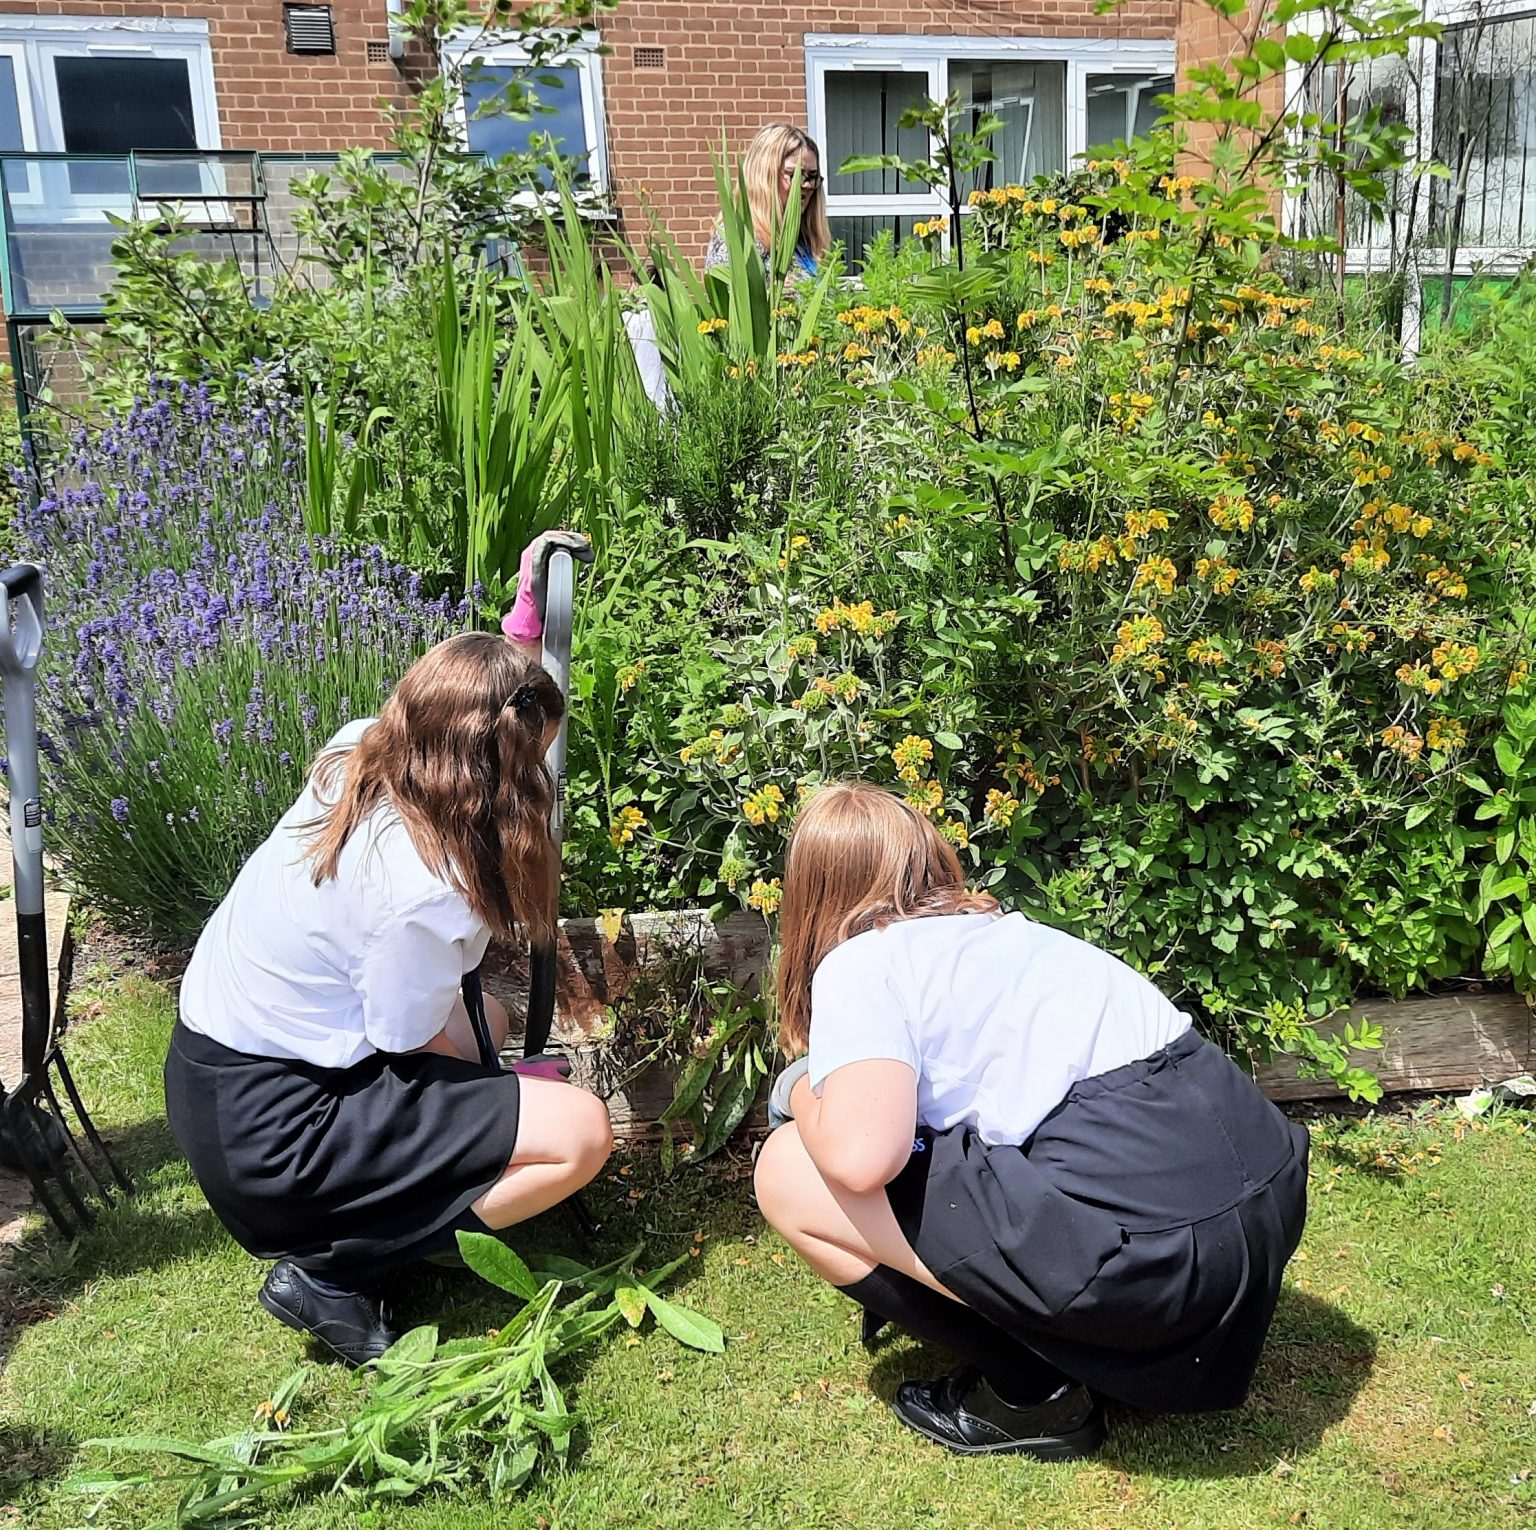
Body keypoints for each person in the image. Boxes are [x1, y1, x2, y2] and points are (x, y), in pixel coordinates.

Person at [755, 782, 1309, 1459]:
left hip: (1162, 1268)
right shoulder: (1011, 934)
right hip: (1259, 1219)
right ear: (930, 857)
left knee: (789, 1169)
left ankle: (1033, 1393)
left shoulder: (862, 960)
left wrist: (800, 1091)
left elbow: (862, 1157)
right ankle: (1085, 1348)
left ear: (812, 894)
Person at [165, 532, 611, 1367]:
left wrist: (524, 624)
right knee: (579, 1132)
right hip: (278, 1135)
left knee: (492, 1020)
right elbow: (414, 1043)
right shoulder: (425, 888)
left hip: (213, 1080)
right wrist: (500, 1104)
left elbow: (478, 707)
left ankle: (379, 1213)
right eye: (531, 768)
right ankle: (333, 1271)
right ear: (492, 777)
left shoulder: (365, 750)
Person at [705, 123, 831, 281]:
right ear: (764, 176)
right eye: (795, 175)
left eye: (812, 176)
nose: (807, 185)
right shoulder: (739, 241)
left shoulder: (804, 241)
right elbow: (730, 294)